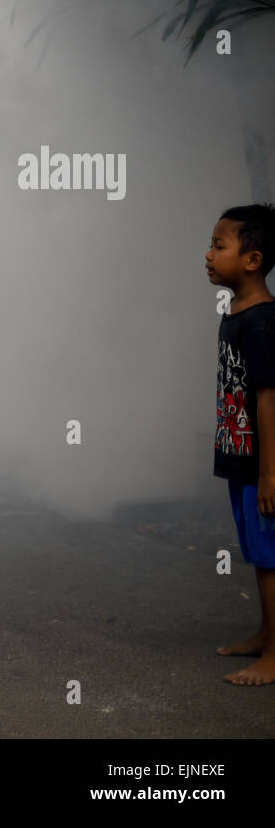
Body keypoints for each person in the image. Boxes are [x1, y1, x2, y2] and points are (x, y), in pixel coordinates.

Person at [208, 203, 275, 686]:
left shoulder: (263, 322)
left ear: (252, 260)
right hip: (241, 458)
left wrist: (270, 473)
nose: (208, 255)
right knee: (257, 551)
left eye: (219, 245)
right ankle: (266, 634)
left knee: (271, 557)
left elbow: (270, 399)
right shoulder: (235, 314)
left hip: (262, 466)